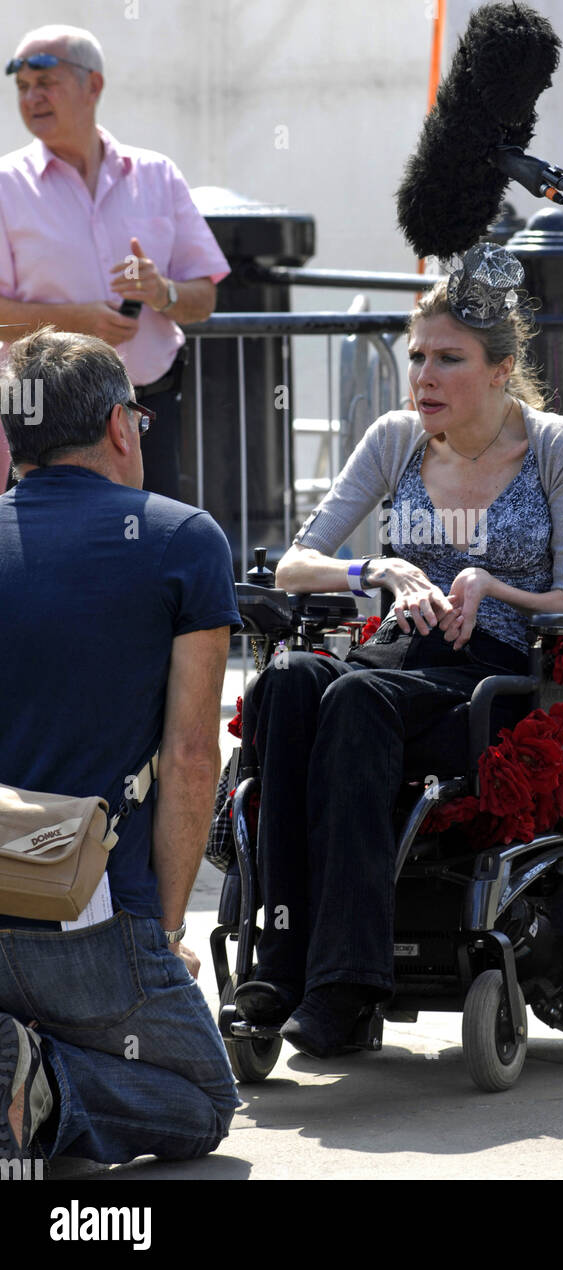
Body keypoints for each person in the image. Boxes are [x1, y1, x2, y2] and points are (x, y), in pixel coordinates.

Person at [235, 243, 563, 1057]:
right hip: (397, 658)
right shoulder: (397, 438)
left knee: (356, 700)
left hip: (492, 681)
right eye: (417, 356)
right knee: (291, 681)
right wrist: (379, 567)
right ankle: (281, 963)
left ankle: (347, 983)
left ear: (502, 369)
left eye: (449, 359)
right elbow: (296, 562)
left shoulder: (554, 448)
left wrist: (486, 583)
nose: (423, 377)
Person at [0, 326, 241, 1169]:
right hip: (90, 924)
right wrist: (167, 934)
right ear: (119, 426)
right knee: (205, 1102)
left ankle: (20, 1068)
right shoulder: (183, 540)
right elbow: (189, 760)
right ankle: (48, 1088)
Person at [0, 23, 229, 499]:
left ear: (94, 85)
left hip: (144, 412)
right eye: (22, 87)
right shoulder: (6, 183)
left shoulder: (157, 174)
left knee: (151, 551)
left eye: (45, 82)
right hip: (42, 414)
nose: (31, 97)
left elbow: (203, 298)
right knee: (47, 559)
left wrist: (161, 291)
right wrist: (76, 323)